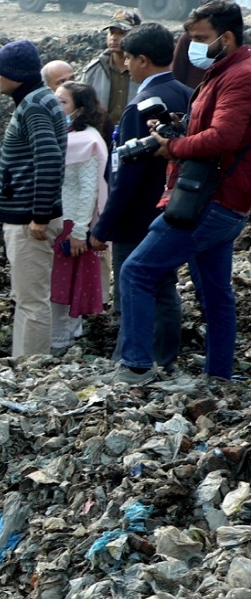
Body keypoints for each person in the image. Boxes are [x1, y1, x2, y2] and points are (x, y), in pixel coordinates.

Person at [117, 0, 251, 383]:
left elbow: (224, 137)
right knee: (215, 292)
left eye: (201, 38)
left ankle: (136, 366)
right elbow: (220, 129)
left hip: (208, 199)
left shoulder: (239, 76)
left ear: (227, 37)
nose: (194, 46)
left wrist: (171, 146)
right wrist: (182, 125)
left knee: (136, 271)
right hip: (226, 200)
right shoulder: (223, 72)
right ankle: (218, 374)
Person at [89, 22, 190, 369]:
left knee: (133, 287)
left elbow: (128, 176)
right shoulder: (186, 94)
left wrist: (104, 226)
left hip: (137, 216)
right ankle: (165, 357)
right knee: (164, 286)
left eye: (128, 58)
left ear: (142, 60)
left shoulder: (140, 105)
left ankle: (133, 359)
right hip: (175, 208)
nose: (126, 65)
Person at [0, 39, 67, 357]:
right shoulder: (38, 99)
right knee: (26, 299)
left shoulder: (34, 105)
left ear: (15, 74)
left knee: (32, 301)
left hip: (29, 221)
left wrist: (39, 215)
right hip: (26, 216)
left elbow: (48, 158)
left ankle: (31, 368)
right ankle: (21, 363)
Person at [49, 82, 107, 354]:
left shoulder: (87, 141)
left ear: (80, 109)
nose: (56, 105)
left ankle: (60, 340)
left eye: (63, 102)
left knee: (64, 284)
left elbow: (89, 190)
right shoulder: (63, 135)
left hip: (72, 222)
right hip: (60, 218)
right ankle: (66, 336)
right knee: (60, 281)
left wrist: (80, 231)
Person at [81, 10, 140, 132]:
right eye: (112, 33)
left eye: (122, 33)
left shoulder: (143, 70)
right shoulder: (93, 70)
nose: (114, 38)